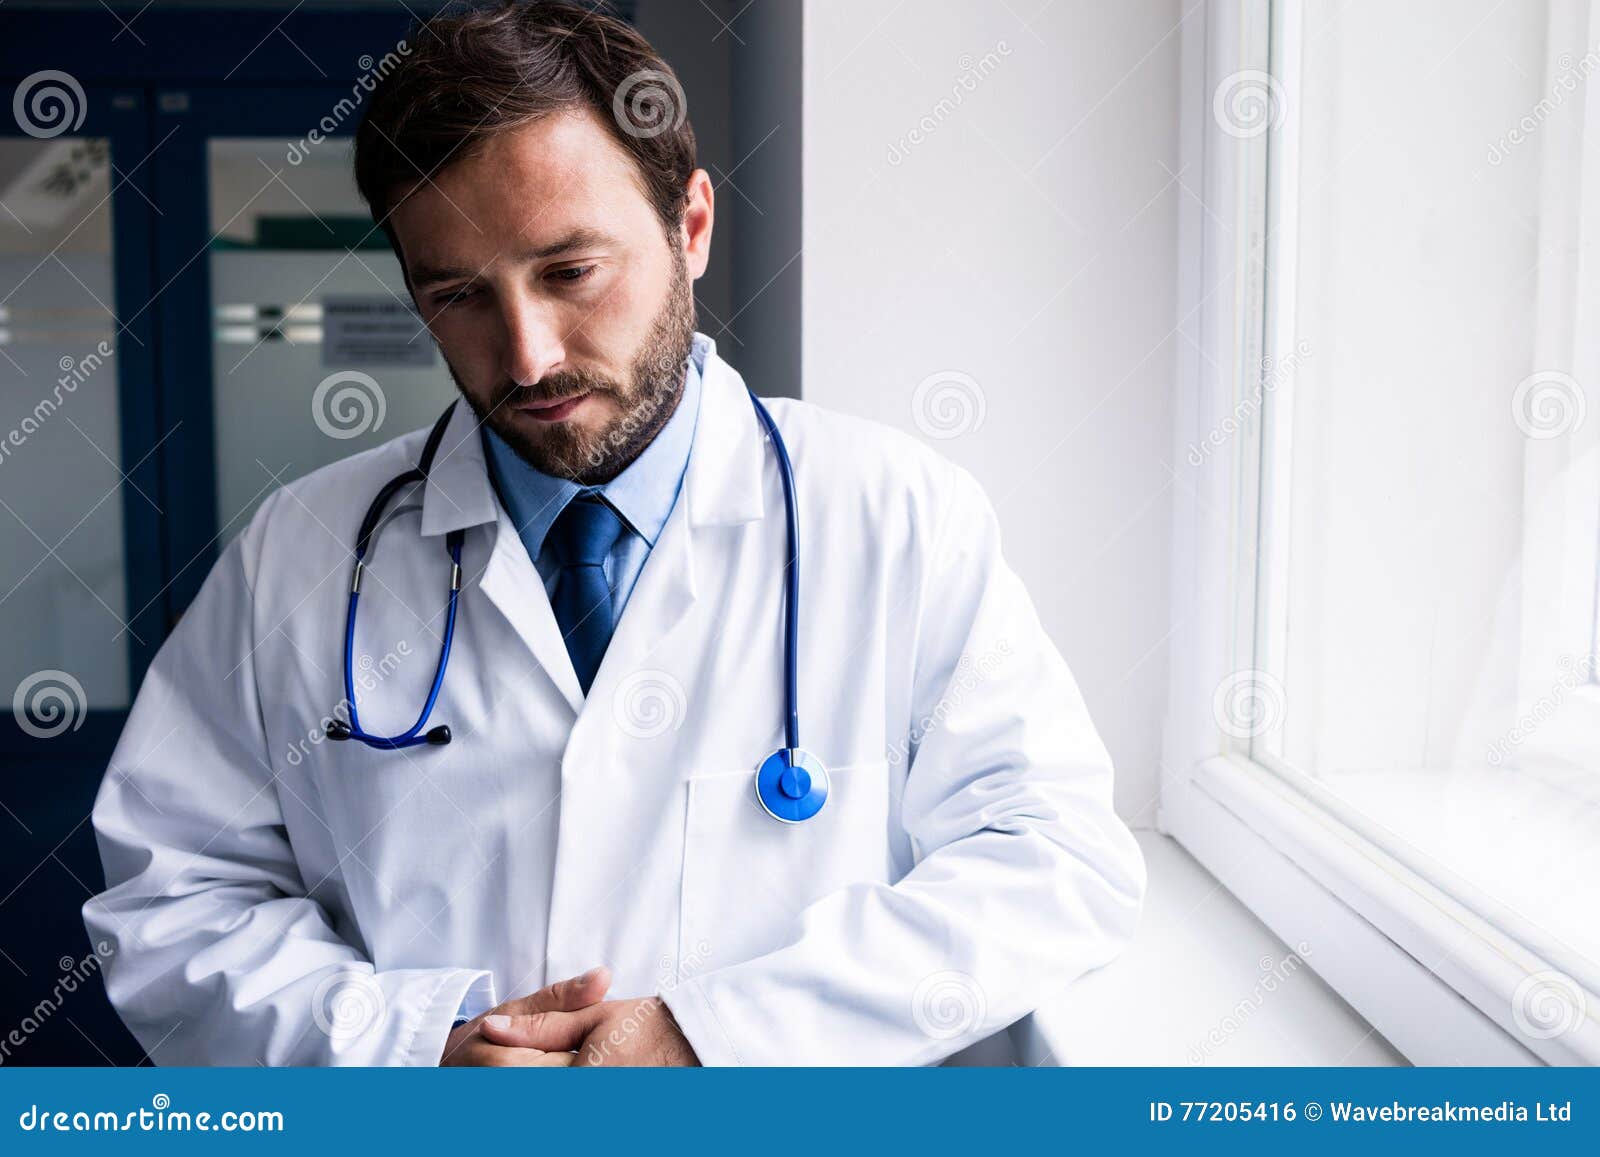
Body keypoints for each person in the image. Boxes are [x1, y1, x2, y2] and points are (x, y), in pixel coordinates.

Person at [82, 0, 1146, 1067]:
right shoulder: (303, 552)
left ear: (689, 225)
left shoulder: (894, 516)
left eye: (569, 272)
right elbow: (175, 896)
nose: (529, 356)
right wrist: (415, 1049)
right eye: (458, 294)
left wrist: (708, 1033)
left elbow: (1053, 861)